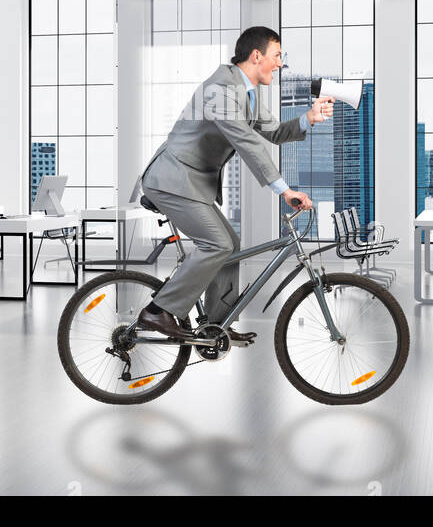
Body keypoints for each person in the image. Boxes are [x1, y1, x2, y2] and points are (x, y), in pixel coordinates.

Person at [134, 26, 334, 342]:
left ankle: (216, 325)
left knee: (231, 246)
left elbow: (277, 133)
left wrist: (309, 118)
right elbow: (245, 141)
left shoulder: (248, 95)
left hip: (191, 184)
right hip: (172, 180)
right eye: (277, 55)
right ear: (257, 56)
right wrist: (284, 190)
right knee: (219, 244)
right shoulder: (219, 89)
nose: (281, 63)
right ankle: (158, 310)